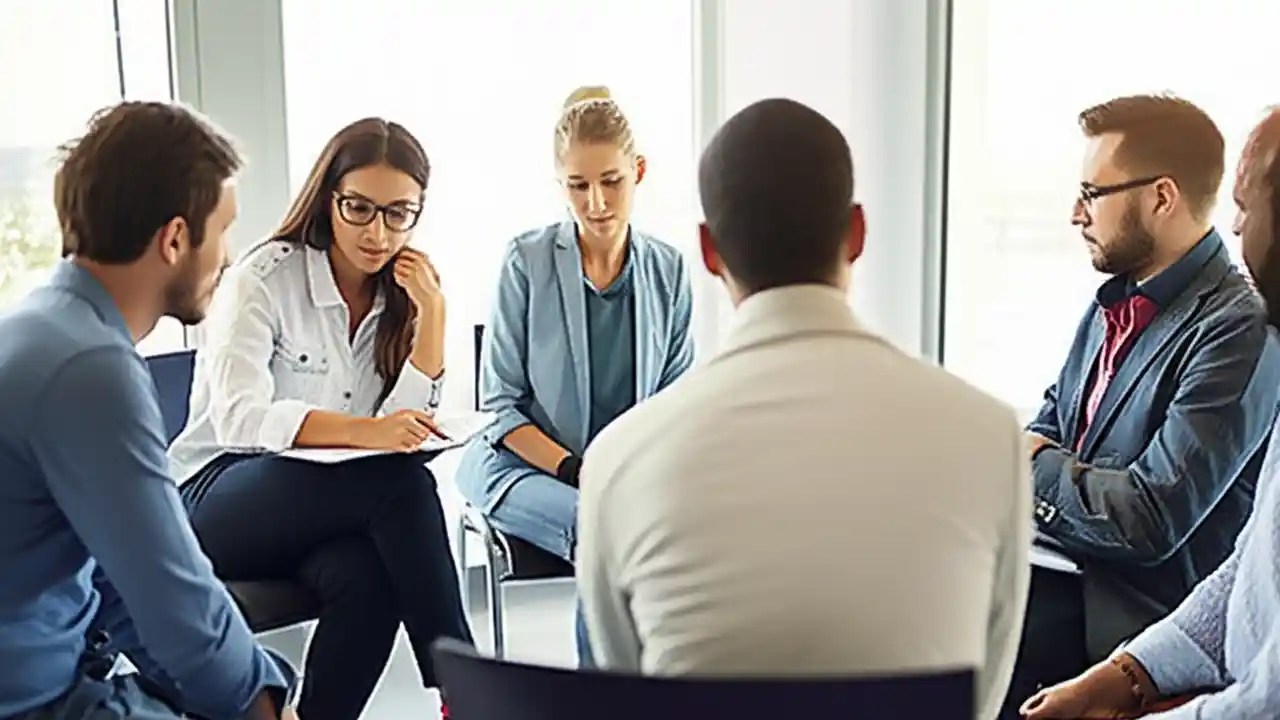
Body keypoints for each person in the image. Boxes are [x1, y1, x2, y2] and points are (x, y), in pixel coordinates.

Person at [577, 97, 1029, 720]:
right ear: (857, 232)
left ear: (709, 251)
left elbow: (628, 688)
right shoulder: (990, 436)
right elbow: (980, 698)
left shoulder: (619, 458)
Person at [165, 118, 471, 720]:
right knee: (403, 485)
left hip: (317, 512)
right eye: (359, 208)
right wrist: (365, 433)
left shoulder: (399, 295)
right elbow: (239, 419)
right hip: (211, 498)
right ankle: (464, 691)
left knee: (370, 575)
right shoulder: (263, 280)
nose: (378, 232)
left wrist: (432, 316)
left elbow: (399, 432)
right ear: (329, 198)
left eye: (399, 213)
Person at [0, 102, 293, 719]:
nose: (228, 257)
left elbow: (117, 579)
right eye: (224, 230)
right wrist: (264, 706)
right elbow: (175, 599)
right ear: (176, 238)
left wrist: (250, 694)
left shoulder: (47, 327)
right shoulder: (90, 369)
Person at [1002, 94, 1280, 717]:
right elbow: (1050, 423)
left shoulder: (1240, 327)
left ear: (1161, 197)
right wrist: (1047, 461)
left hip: (1129, 610)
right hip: (1064, 569)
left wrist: (1033, 463)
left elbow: (1147, 517)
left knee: (980, 643)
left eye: (1092, 193)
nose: (1077, 214)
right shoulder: (1112, 305)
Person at [454, 86, 695, 661]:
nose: (596, 202)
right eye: (578, 185)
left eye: (611, 181)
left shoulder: (668, 269)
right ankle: (604, 695)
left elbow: (676, 403)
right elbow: (500, 406)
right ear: (559, 183)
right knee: (601, 531)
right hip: (521, 467)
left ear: (638, 172)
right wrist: (580, 472)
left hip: (623, 480)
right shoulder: (526, 261)